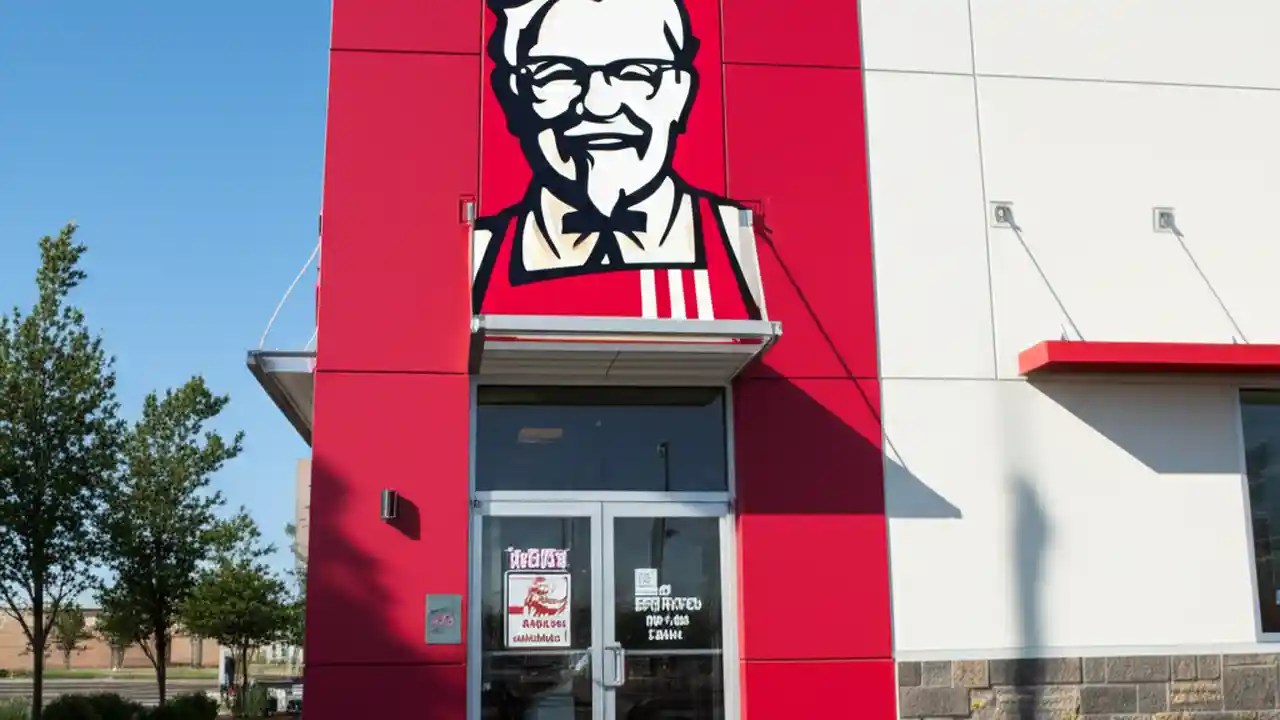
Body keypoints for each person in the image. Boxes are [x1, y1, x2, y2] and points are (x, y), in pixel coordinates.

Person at [473, 0, 768, 321]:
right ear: (517, 95)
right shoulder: (480, 252)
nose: (599, 106)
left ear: (680, 92)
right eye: (559, 73)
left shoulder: (735, 236)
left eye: (634, 73)